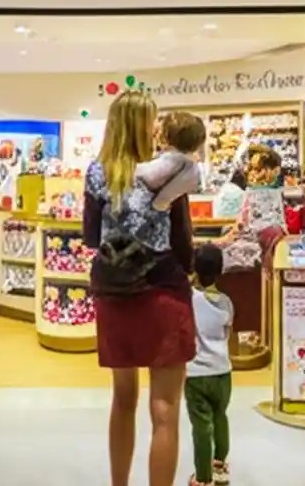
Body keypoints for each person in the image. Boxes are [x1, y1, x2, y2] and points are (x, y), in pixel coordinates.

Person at [84, 91, 197, 486]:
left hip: (115, 294)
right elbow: (182, 239)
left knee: (123, 398)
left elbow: (90, 235)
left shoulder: (97, 172)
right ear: (144, 126)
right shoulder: (169, 170)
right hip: (162, 291)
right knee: (164, 408)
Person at [186, 244, 233, 486]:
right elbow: (227, 335)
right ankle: (220, 465)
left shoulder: (190, 299)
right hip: (223, 371)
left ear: (194, 268)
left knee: (202, 426)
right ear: (220, 270)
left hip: (196, 373)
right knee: (220, 417)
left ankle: (203, 477)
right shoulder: (226, 303)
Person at [136, 111, 206, 211]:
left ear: (164, 137)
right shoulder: (190, 166)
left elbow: (147, 174)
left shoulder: (173, 161)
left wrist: (127, 169)